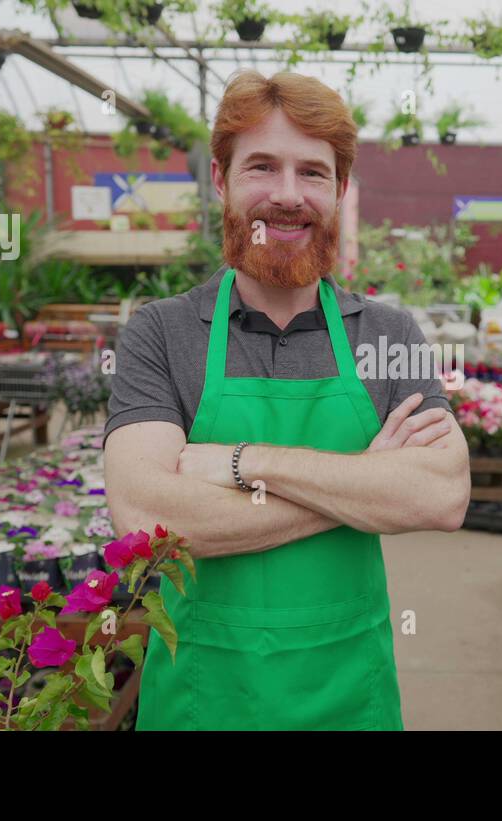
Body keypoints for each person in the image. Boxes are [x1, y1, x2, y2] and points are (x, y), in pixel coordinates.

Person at [104, 70, 472, 731]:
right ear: (220, 179)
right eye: (262, 167)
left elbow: (442, 495)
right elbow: (144, 521)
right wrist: (364, 489)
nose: (286, 196)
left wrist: (244, 461)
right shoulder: (161, 333)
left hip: (349, 699)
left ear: (340, 190)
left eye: (311, 172)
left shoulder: (388, 335)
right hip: (202, 700)